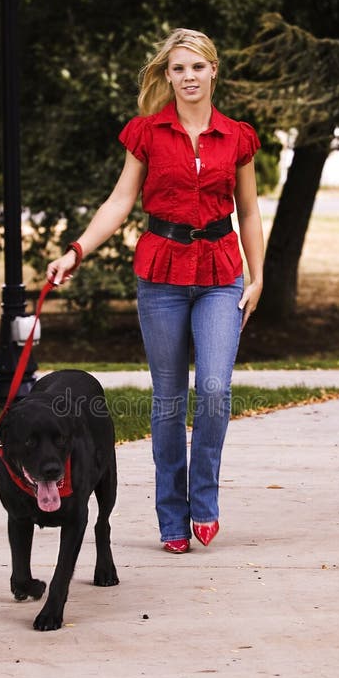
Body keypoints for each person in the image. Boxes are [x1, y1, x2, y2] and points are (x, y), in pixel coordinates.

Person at [47, 28, 264, 554]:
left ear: (214, 70)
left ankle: (204, 498)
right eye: (178, 68)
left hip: (220, 275)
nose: (188, 77)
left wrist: (258, 277)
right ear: (166, 75)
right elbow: (120, 202)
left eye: (197, 67)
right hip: (161, 276)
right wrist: (76, 250)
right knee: (168, 399)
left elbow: (250, 210)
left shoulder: (236, 136)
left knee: (213, 390)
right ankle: (172, 514)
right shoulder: (146, 133)